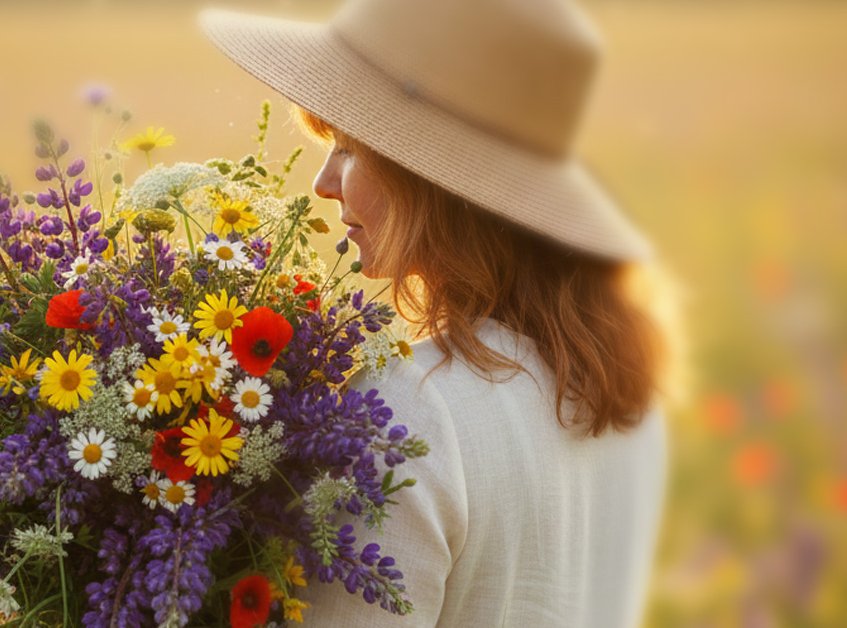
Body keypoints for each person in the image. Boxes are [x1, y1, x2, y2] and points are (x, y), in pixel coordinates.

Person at [201, 0, 671, 626]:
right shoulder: (633, 394)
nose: (322, 182)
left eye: (349, 147)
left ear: (428, 177)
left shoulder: (412, 409)